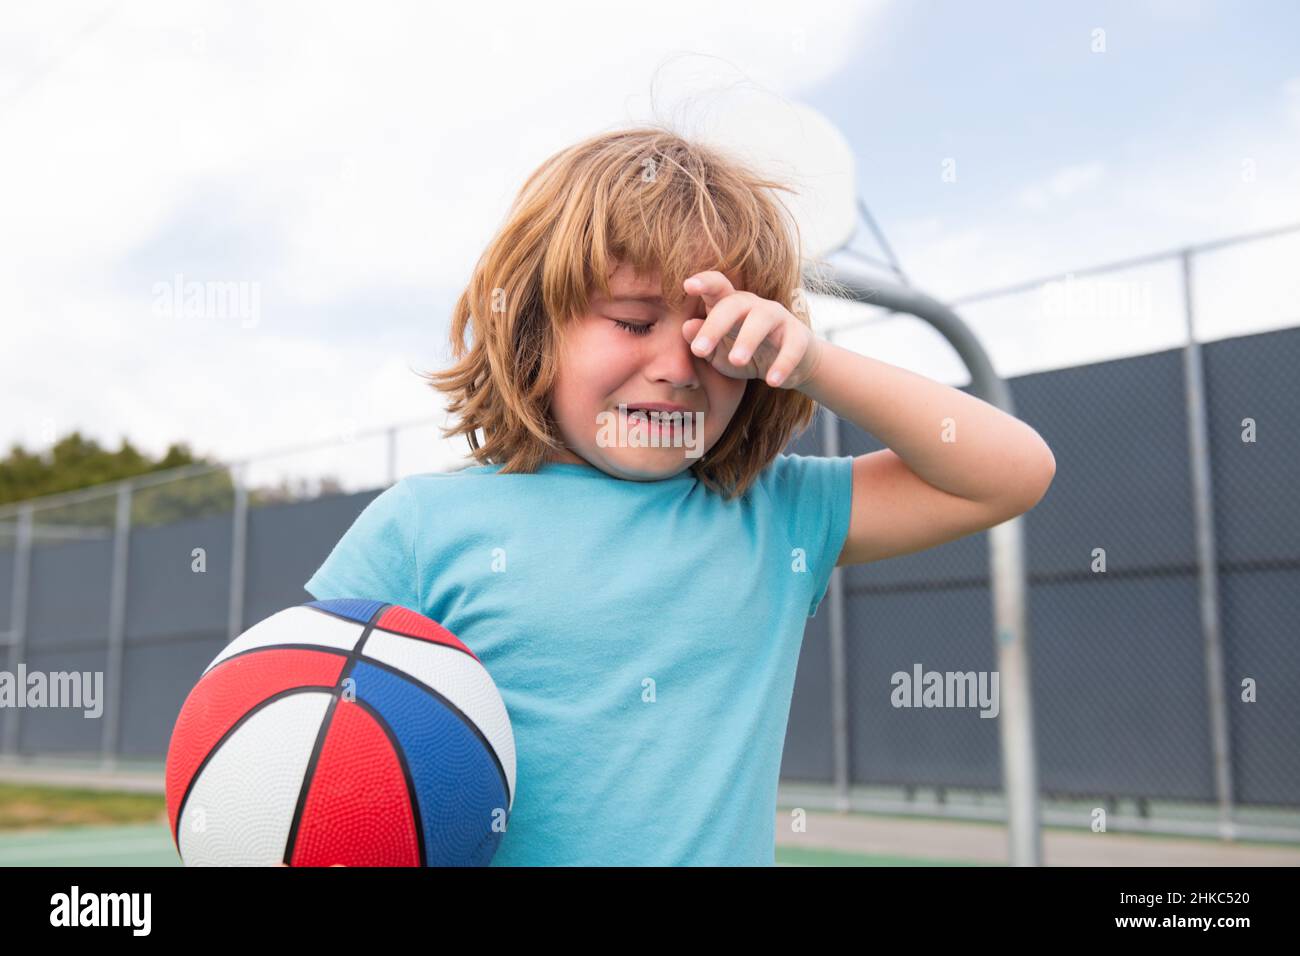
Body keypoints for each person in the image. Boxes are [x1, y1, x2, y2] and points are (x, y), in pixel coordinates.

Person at [303, 126, 1056, 866]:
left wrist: (815, 361)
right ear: (533, 326)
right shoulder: (421, 525)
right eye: (633, 320)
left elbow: (1012, 471)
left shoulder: (774, 514)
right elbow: (290, 717)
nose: (678, 365)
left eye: (719, 339)